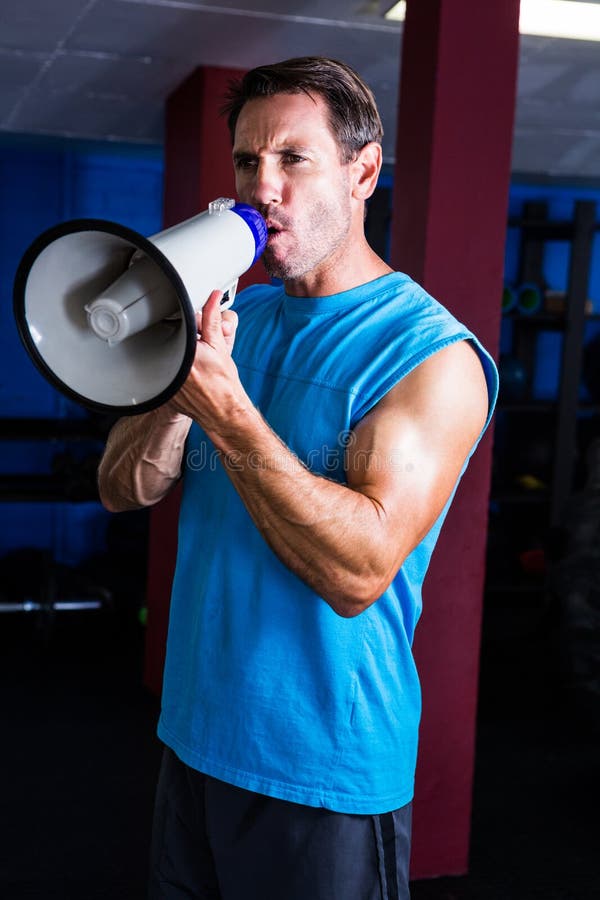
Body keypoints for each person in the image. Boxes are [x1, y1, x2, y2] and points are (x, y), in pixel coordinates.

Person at [97, 56, 498, 900]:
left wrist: (227, 409)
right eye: (248, 161)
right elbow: (122, 488)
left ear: (363, 172)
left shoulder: (429, 355)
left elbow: (357, 573)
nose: (262, 186)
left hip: (322, 772)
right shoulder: (236, 316)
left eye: (292, 159)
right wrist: (179, 378)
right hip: (193, 738)